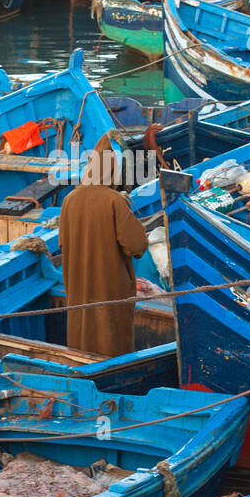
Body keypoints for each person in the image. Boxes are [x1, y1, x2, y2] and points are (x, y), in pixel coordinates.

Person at [59, 134, 149, 357]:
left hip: (78, 286)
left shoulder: (69, 199)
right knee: (111, 338)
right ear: (112, 171)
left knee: (81, 333)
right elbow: (136, 247)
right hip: (110, 287)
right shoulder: (115, 201)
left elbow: (62, 243)